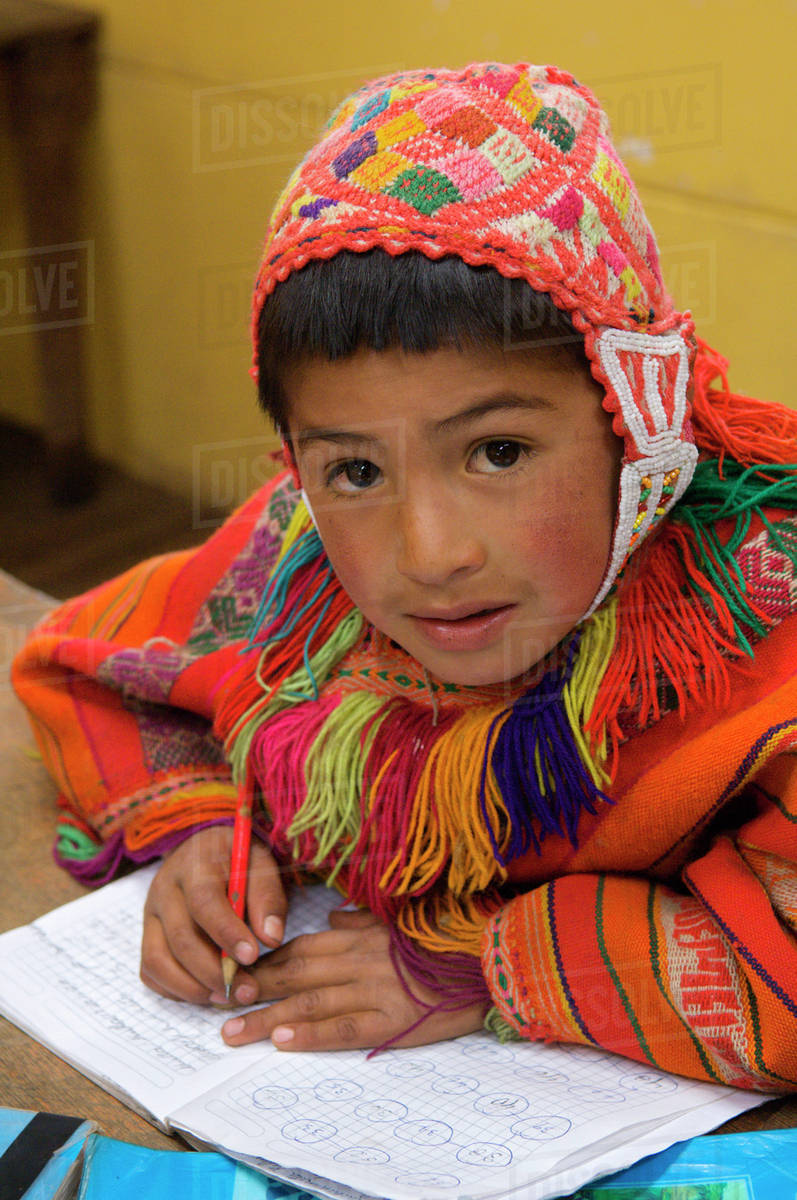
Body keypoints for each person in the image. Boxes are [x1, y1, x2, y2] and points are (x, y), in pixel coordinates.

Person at [12, 62, 797, 1089]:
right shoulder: (299, 572)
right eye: (353, 470)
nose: (428, 555)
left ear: (631, 420)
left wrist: (489, 958)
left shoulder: (756, 617)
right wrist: (205, 828)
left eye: (498, 453)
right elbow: (92, 657)